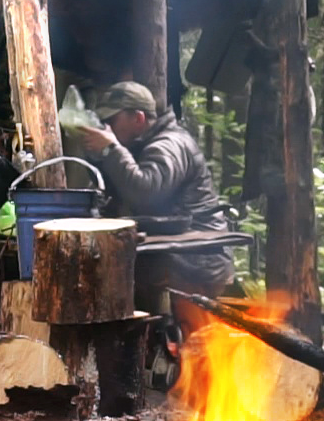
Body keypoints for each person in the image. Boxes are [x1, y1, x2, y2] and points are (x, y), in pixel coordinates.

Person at [77, 81, 234, 297]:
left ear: (139, 118)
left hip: (199, 258)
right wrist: (99, 156)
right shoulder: (143, 145)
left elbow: (145, 194)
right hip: (180, 252)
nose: (107, 127)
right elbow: (119, 189)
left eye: (112, 120)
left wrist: (112, 150)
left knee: (104, 274)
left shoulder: (169, 145)